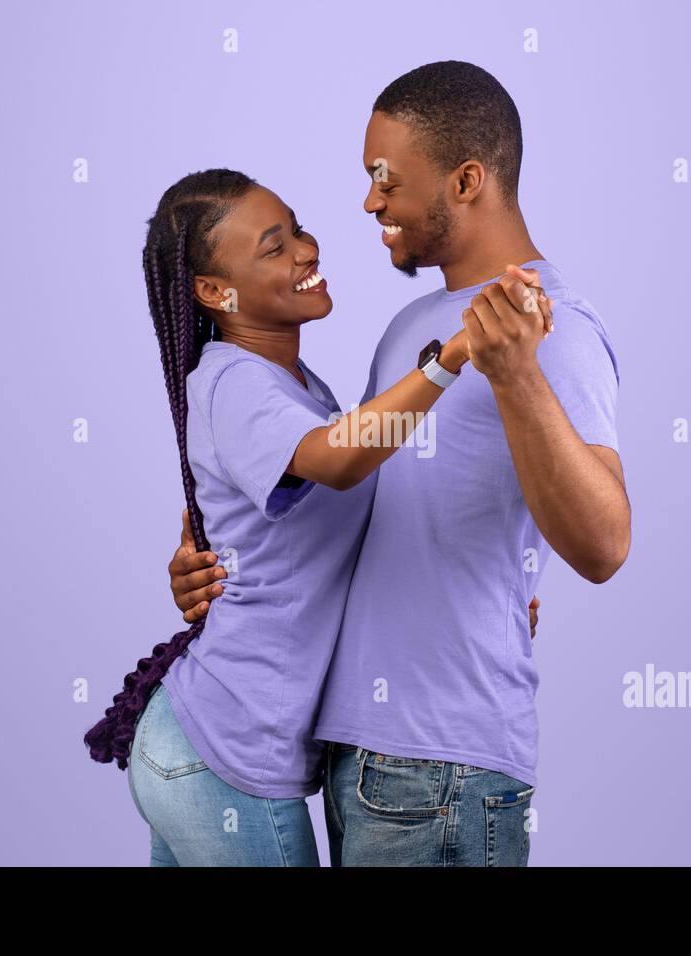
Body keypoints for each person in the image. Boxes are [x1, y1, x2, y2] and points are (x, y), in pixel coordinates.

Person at [169, 61, 631, 867]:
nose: (370, 202)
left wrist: (516, 372)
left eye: (386, 179)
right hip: (355, 758)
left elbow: (603, 545)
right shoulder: (413, 326)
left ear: (465, 181)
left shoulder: (552, 323)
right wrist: (216, 557)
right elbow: (350, 489)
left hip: (445, 765)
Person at [85, 167, 550, 866]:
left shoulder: (298, 386)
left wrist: (480, 594)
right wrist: (453, 356)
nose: (306, 251)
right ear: (214, 291)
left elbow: (343, 533)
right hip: (224, 758)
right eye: (274, 248)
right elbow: (340, 459)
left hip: (203, 750)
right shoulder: (233, 380)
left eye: (298, 230)